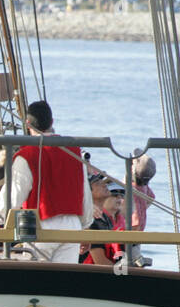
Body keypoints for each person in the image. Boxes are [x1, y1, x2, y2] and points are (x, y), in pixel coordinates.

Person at [7, 99, 94, 263]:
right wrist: (85, 226)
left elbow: (13, 198)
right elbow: (85, 193)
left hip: (41, 226)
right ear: (52, 122)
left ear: (28, 124)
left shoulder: (26, 155)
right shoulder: (75, 152)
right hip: (72, 226)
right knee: (64, 279)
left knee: (36, 279)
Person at [80, 173, 125, 266]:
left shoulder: (105, 218)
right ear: (89, 192)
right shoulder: (92, 220)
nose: (104, 185)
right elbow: (100, 261)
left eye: (103, 182)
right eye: (98, 183)